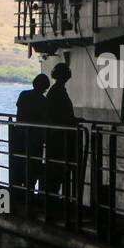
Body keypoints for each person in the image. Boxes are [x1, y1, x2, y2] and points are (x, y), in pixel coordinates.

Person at [42, 63, 78, 197]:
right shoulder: (58, 91)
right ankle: (53, 198)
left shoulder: (56, 90)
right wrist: (73, 120)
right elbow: (57, 115)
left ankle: (53, 197)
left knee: (57, 169)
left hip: (58, 137)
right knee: (57, 169)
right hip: (59, 138)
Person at [10, 74, 50, 191]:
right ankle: (29, 191)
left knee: (19, 164)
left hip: (20, 135)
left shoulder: (23, 95)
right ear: (45, 87)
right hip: (35, 139)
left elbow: (20, 112)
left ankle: (17, 191)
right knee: (33, 167)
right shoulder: (43, 101)